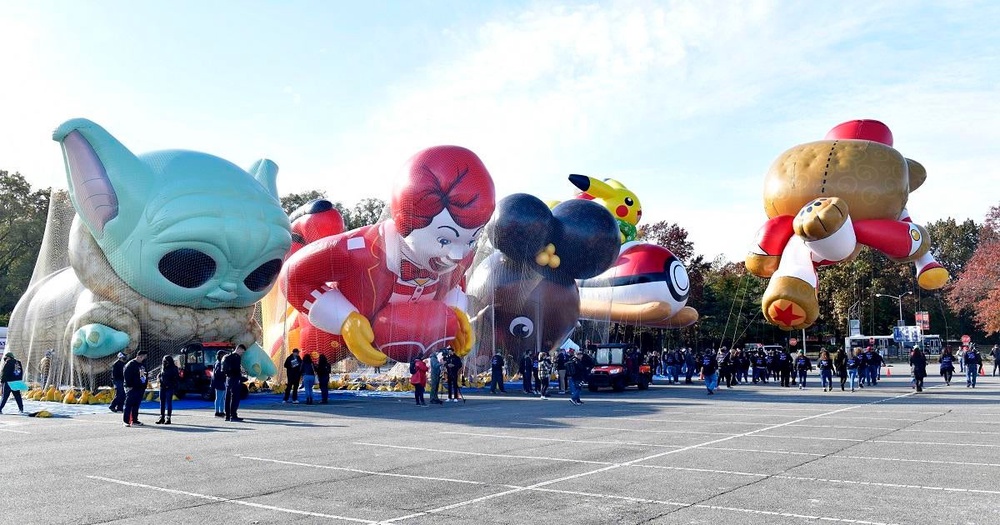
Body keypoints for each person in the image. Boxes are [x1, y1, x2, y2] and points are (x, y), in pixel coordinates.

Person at [122, 350, 149, 427]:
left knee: (136, 404)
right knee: (128, 404)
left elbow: (145, 375)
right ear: (139, 356)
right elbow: (126, 376)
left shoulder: (143, 364)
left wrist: (144, 384)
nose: (144, 358)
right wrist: (129, 385)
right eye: (143, 357)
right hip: (132, 387)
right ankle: (126, 421)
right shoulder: (130, 364)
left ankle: (135, 420)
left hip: (140, 387)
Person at [223, 344, 247, 422]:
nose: (241, 354)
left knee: (228, 397)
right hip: (234, 379)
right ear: (239, 349)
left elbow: (224, 370)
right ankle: (233, 415)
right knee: (235, 397)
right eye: (242, 352)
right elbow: (236, 370)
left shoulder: (227, 357)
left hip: (228, 379)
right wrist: (240, 377)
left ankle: (227, 415)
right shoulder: (236, 357)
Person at [156, 355, 179, 425]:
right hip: (162, 387)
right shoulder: (163, 367)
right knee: (162, 402)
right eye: (164, 361)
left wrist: (173, 386)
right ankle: (161, 416)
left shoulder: (174, 368)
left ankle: (168, 417)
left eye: (166, 361)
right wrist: (159, 378)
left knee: (169, 402)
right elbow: (160, 374)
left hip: (169, 387)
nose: (164, 362)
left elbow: (176, 379)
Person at [211, 349, 228, 417]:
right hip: (219, 382)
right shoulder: (219, 363)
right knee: (219, 398)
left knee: (221, 398)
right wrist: (225, 373)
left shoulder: (218, 362)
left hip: (220, 382)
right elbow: (218, 373)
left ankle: (221, 411)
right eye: (223, 355)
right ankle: (217, 412)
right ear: (220, 356)